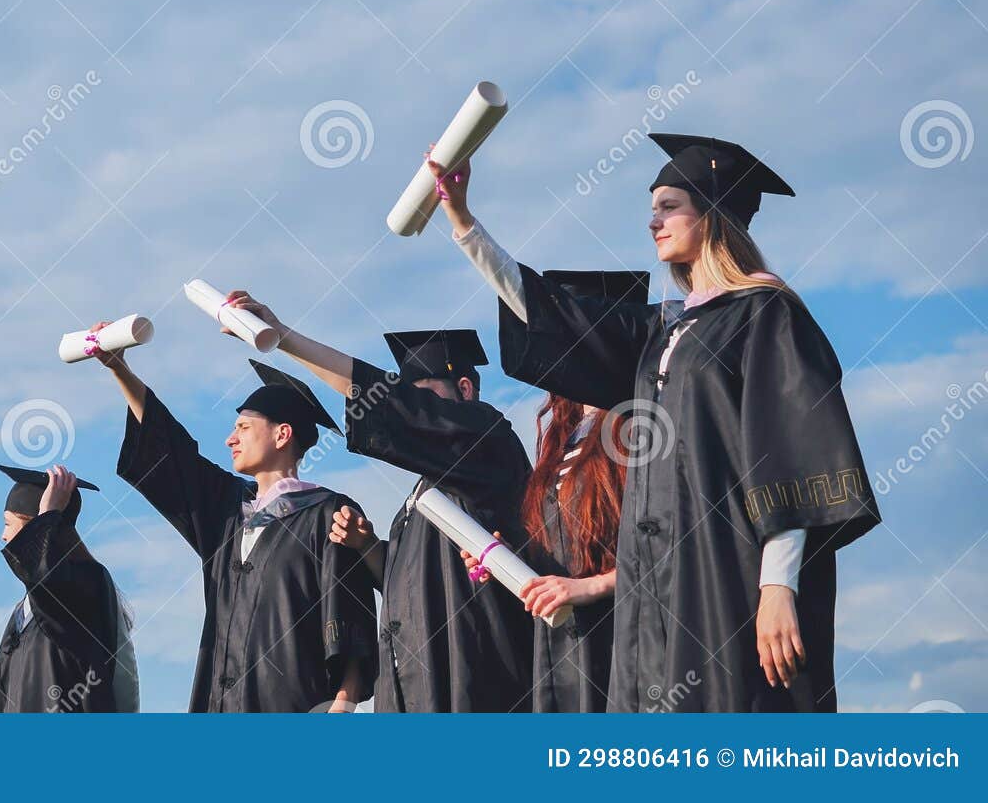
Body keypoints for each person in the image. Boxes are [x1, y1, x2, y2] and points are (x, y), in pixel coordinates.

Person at [433, 133, 880, 711]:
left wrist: (777, 586)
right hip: (655, 585)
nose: (654, 222)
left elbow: (791, 457)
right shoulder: (663, 333)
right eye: (652, 210)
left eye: (670, 207)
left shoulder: (766, 315)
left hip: (729, 572)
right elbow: (552, 311)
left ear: (714, 215)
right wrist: (464, 220)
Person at [229, 297, 535, 712]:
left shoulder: (490, 444)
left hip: (477, 678)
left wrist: (284, 338)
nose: (415, 413)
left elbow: (392, 403)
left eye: (425, 398)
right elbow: (406, 581)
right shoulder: (420, 498)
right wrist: (369, 546)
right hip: (415, 686)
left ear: (464, 390)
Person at [92, 321, 378, 712]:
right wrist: (119, 369)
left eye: (243, 427)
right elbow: (172, 452)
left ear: (282, 435)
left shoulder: (327, 514)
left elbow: (350, 618)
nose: (230, 438)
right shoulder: (227, 509)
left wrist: (342, 706)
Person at [463, 270, 647, 712]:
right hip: (565, 643)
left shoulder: (642, 426)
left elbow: (675, 547)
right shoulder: (563, 439)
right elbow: (563, 550)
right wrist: (508, 561)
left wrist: (592, 588)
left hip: (627, 636)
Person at [0, 464, 139, 713]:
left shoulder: (86, 584)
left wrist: (49, 513)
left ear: (32, 526)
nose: (3, 535)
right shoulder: (21, 612)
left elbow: (47, 582)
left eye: (8, 523)